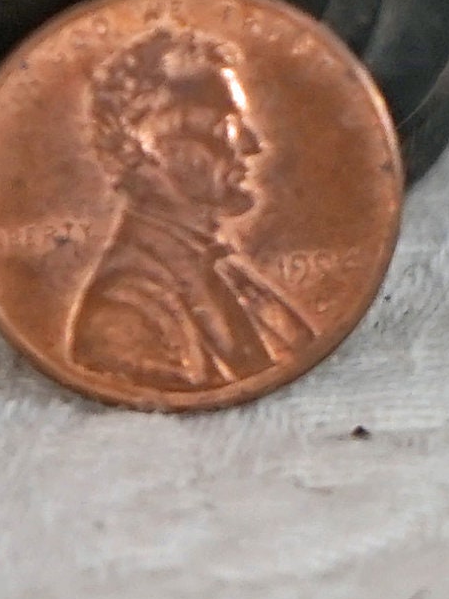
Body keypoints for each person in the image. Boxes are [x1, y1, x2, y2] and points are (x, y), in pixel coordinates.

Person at [68, 23, 317, 394]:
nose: (251, 145)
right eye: (226, 127)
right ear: (148, 141)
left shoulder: (231, 276)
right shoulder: (123, 315)